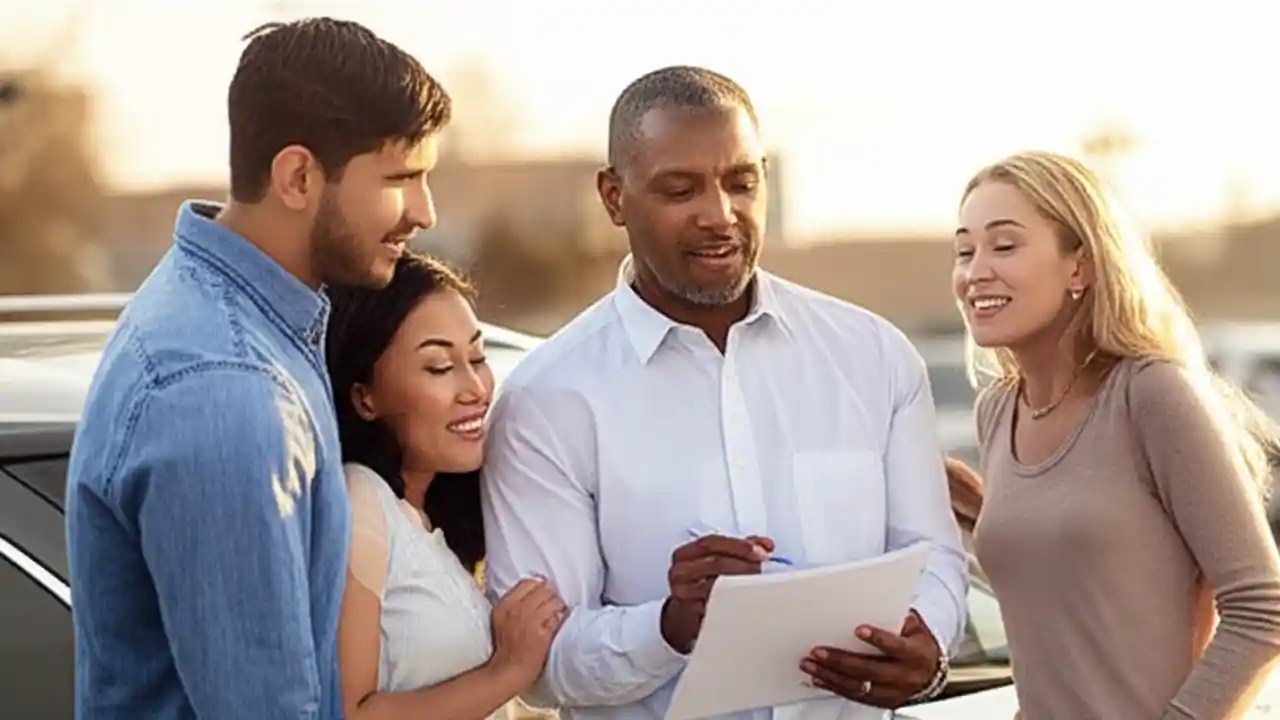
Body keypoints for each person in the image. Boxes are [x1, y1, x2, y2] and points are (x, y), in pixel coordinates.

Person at [480, 65, 968, 720]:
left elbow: (932, 558)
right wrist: (671, 626)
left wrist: (929, 644)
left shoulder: (873, 358)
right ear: (613, 196)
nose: (720, 215)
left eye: (741, 182)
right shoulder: (547, 399)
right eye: (680, 189)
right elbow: (543, 666)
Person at [65, 18, 451, 718]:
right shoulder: (226, 388)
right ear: (298, 176)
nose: (425, 210)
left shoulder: (231, 317)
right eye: (401, 177)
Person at [954, 150, 1280, 718]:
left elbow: (1263, 608)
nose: (975, 270)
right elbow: (1075, 610)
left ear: (1079, 265)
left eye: (1004, 245)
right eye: (963, 251)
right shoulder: (997, 410)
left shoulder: (1152, 394)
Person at [324, 251, 567, 719]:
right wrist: (507, 671)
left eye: (476, 356)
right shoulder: (361, 503)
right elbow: (350, 714)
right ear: (364, 396)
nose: (475, 386)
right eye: (439, 367)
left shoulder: (433, 515)